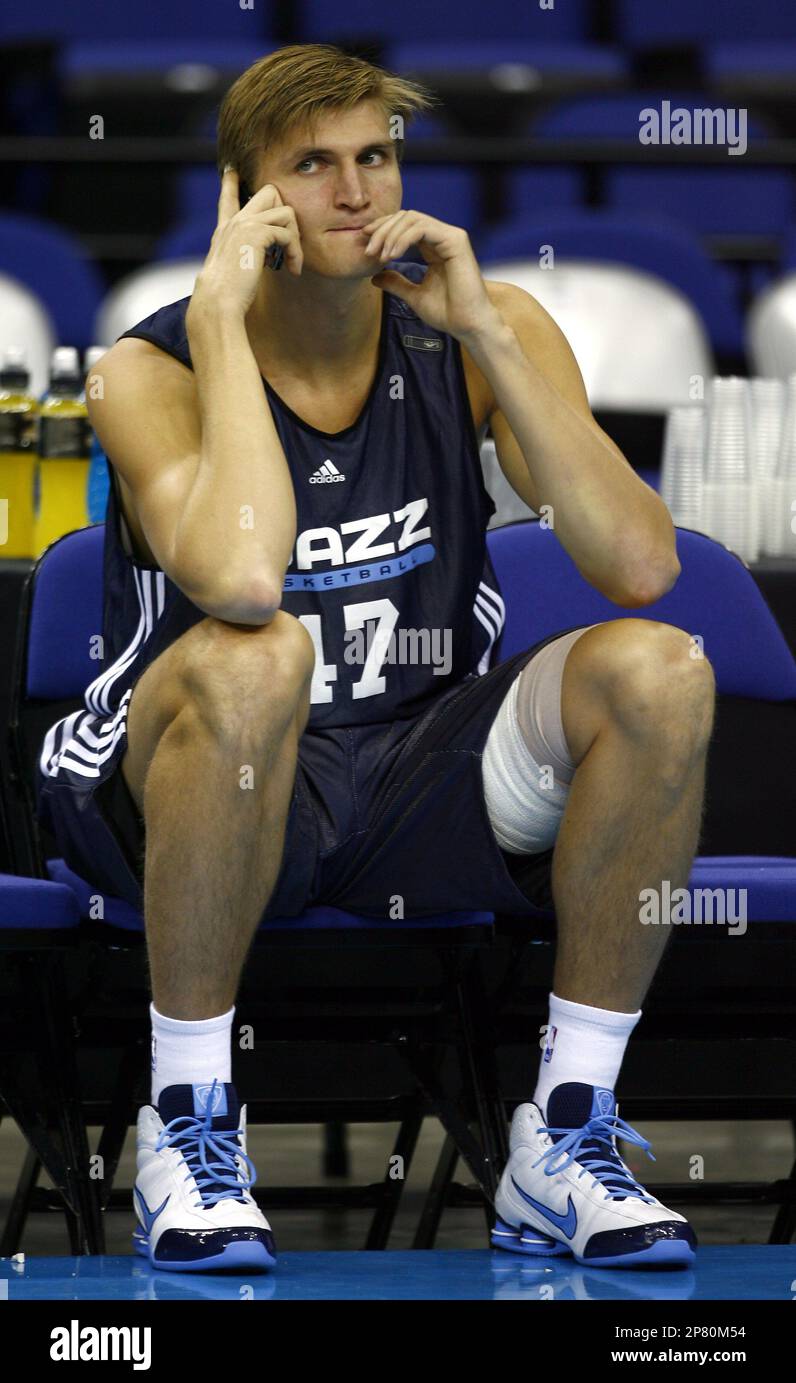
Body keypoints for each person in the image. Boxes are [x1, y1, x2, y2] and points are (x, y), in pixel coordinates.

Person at [35, 44, 714, 1273]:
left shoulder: (479, 328)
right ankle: (186, 1123)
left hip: (418, 764)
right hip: (205, 782)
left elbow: (640, 563)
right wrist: (227, 328)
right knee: (259, 655)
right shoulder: (151, 369)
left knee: (660, 668)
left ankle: (564, 1137)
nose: (354, 193)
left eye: (375, 158)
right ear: (248, 202)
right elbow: (240, 580)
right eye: (312, 167)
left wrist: (488, 339)